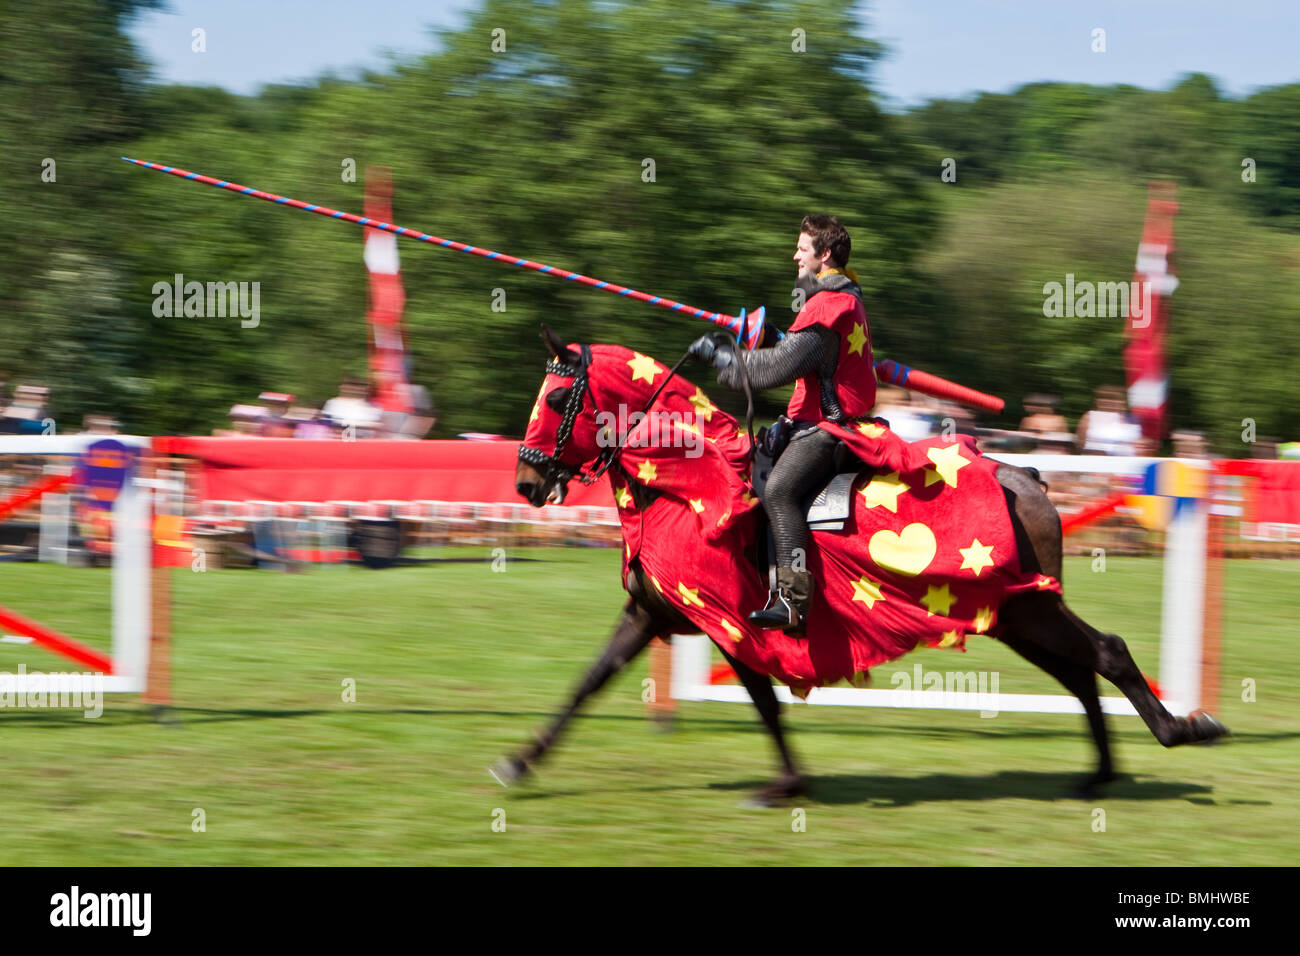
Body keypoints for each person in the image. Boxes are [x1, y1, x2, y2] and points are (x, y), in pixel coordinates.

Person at [689, 214, 908, 633]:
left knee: (780, 490)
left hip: (831, 429)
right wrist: (767, 335)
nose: (795, 255)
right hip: (814, 422)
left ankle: (792, 601)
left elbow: (782, 369)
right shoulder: (836, 299)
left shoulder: (829, 304)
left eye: (802, 248)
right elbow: (802, 351)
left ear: (824, 255)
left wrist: (723, 359)